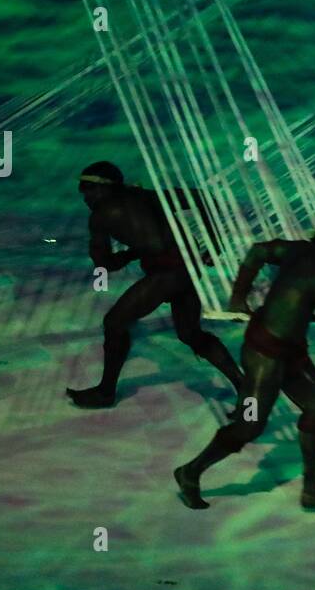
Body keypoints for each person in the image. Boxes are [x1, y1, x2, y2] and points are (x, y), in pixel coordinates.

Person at [173, 211, 315, 510]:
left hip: (288, 350)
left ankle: (312, 489)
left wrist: (239, 296)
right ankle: (190, 471)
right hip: (265, 353)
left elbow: (259, 250)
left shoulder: (299, 249)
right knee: (250, 426)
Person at [66, 161, 242, 408]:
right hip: (187, 268)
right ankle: (244, 386)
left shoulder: (101, 217)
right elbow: (204, 198)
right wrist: (214, 242)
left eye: (88, 188)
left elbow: (105, 263)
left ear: (106, 189)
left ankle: (106, 392)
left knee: (114, 323)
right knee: (190, 334)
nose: (84, 195)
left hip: (167, 273)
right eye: (83, 189)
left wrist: (131, 253)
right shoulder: (148, 197)